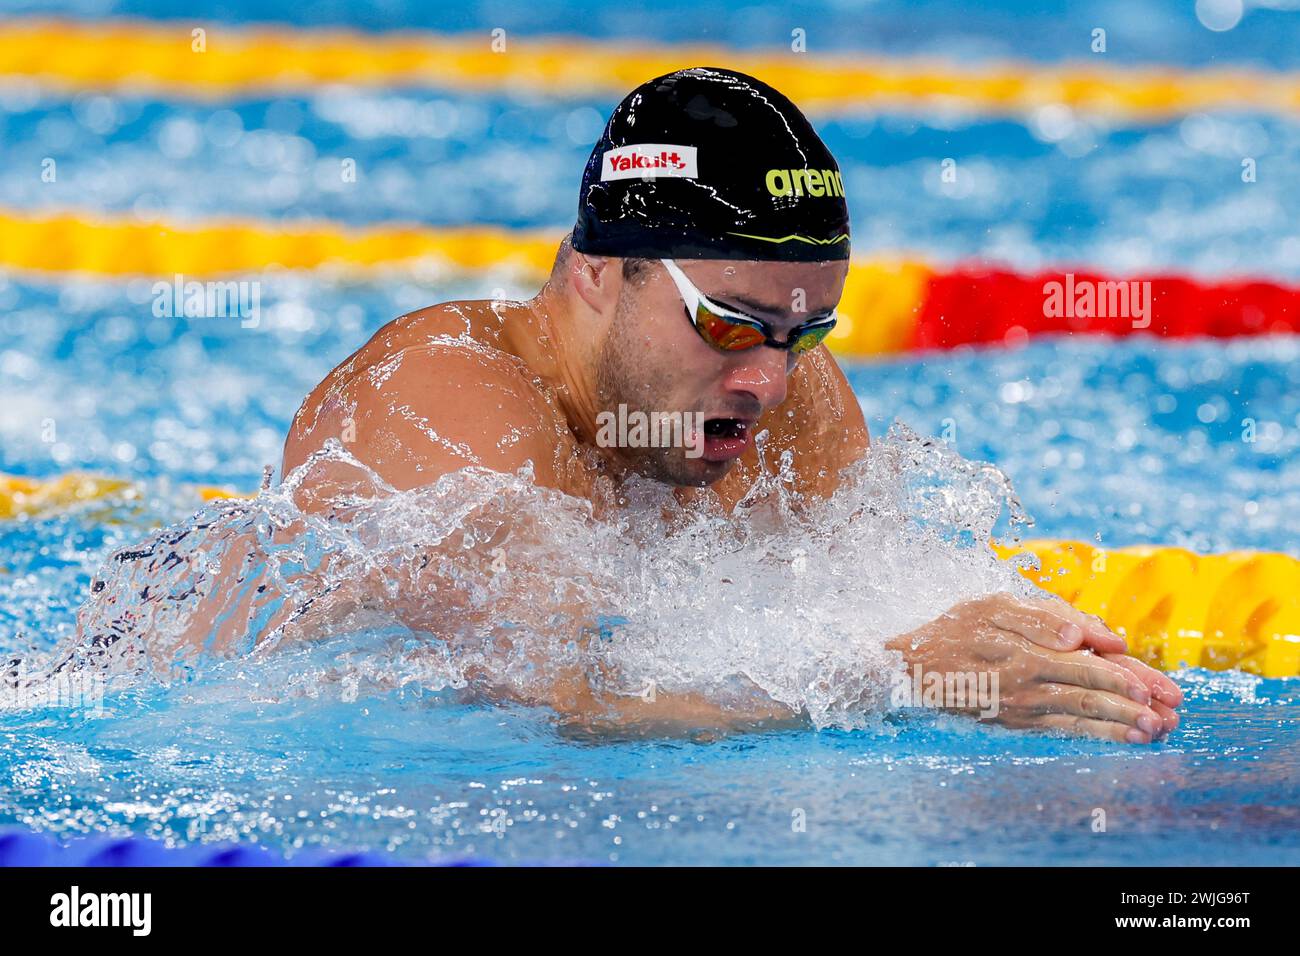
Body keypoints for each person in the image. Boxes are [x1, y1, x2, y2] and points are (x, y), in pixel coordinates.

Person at [278, 66, 1181, 740]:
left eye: (808, 332)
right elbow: (570, 704)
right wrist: (899, 675)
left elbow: (861, 608)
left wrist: (1026, 660)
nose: (770, 383)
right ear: (597, 274)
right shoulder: (446, 397)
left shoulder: (785, 390)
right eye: (727, 324)